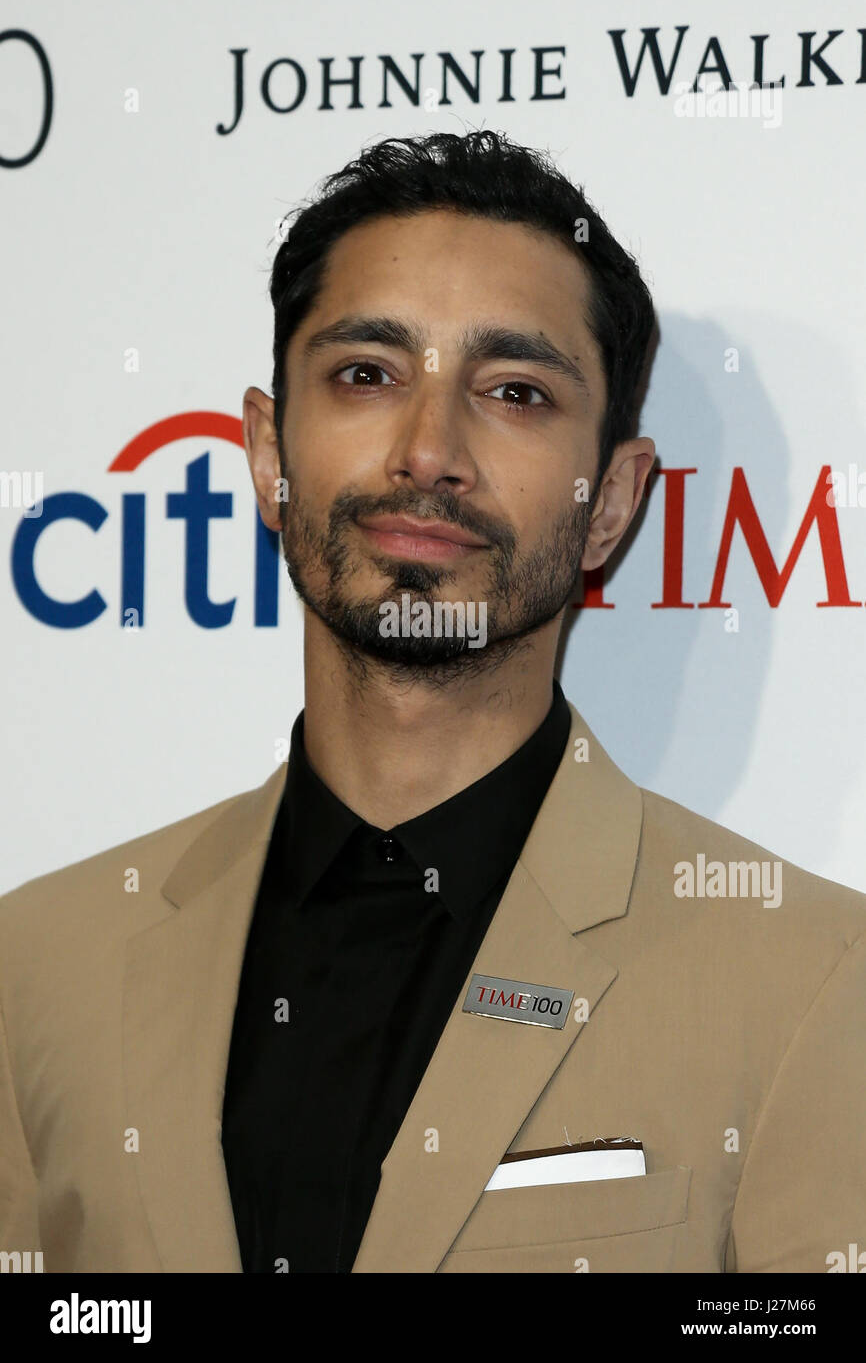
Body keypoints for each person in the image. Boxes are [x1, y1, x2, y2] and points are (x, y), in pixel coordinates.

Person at [1, 130, 864, 1275]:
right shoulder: (39, 963)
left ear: (610, 503)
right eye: (367, 373)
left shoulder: (814, 978)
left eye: (513, 392)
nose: (427, 450)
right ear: (266, 454)